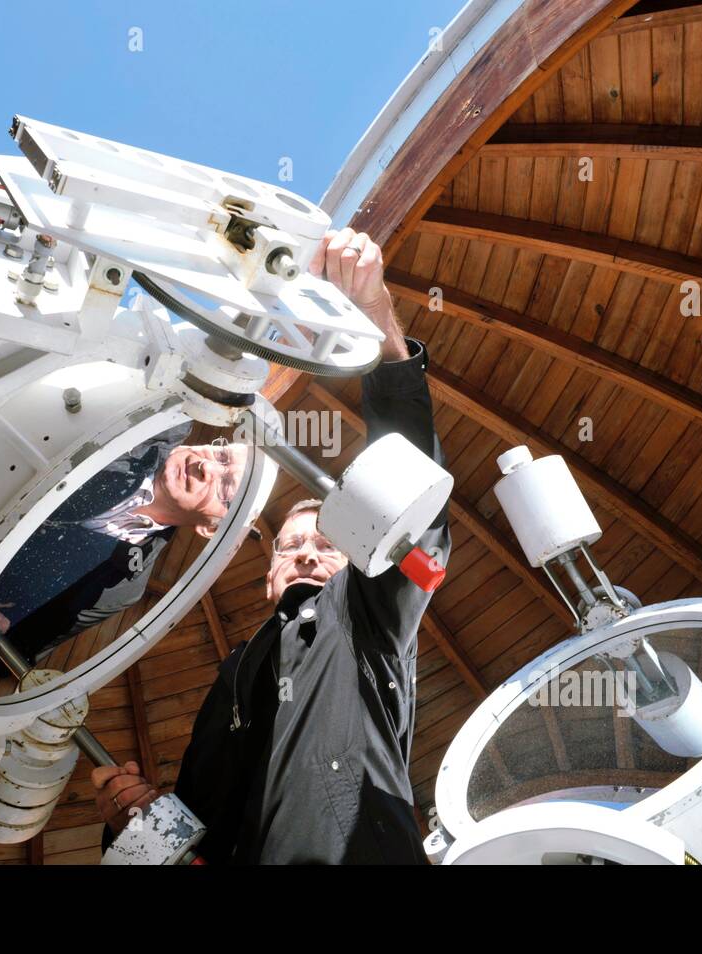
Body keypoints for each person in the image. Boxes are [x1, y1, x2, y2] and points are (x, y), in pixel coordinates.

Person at [92, 228, 451, 863]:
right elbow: (191, 849)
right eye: (291, 546)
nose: (310, 554)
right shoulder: (233, 679)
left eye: (330, 544)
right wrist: (131, 826)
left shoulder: (364, 616)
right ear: (266, 576)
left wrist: (375, 321)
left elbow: (410, 509)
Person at [0, 428, 248, 680]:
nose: (208, 467)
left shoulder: (122, 589)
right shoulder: (146, 421)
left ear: (211, 528)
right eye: (221, 454)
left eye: (225, 487)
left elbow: (12, 657)